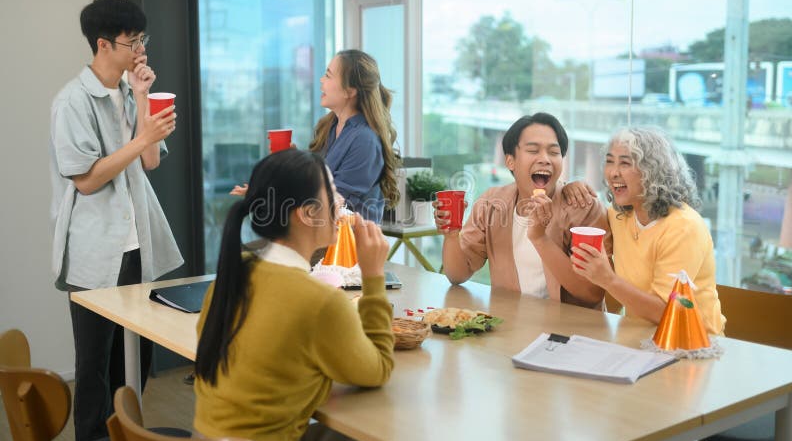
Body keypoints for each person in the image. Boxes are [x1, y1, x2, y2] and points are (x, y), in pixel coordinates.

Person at [194, 149, 396, 441]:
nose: (340, 203)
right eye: (332, 193)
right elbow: (378, 370)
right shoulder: (320, 301)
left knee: (358, 439)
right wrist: (373, 277)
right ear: (306, 214)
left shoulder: (234, 274)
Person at [49, 0, 183, 441]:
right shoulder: (71, 101)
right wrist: (141, 134)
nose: (140, 49)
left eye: (143, 39)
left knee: (136, 359)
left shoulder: (131, 91)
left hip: (137, 245)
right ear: (104, 45)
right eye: (133, 41)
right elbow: (86, 180)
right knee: (94, 368)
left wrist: (143, 98)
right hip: (93, 251)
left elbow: (149, 162)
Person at [436, 113, 609, 307]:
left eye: (554, 152)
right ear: (510, 161)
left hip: (569, 332)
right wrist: (451, 236)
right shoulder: (491, 204)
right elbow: (457, 275)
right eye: (533, 150)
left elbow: (592, 293)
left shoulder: (583, 206)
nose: (545, 159)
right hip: (511, 326)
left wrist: (540, 238)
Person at [570, 127, 726, 334]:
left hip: (692, 343)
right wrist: (570, 187)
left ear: (654, 172)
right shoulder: (620, 216)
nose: (613, 172)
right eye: (610, 161)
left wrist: (608, 279)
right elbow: (585, 214)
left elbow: (668, 312)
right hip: (641, 336)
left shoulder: (684, 227)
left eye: (625, 163)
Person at [233, 50, 399, 224]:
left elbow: (330, 201)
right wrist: (294, 161)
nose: (321, 80)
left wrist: (268, 193)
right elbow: (315, 183)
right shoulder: (330, 127)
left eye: (328, 75)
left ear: (350, 91)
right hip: (321, 240)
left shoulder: (365, 141)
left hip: (347, 247)